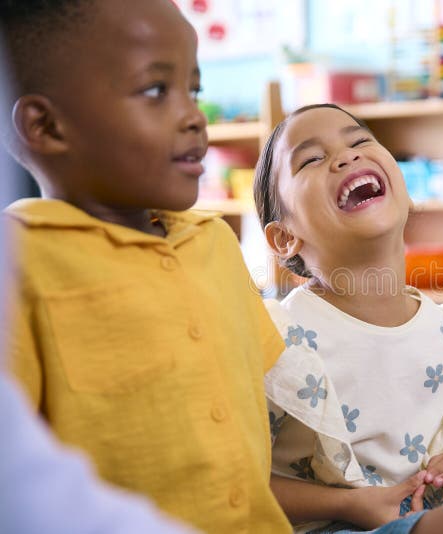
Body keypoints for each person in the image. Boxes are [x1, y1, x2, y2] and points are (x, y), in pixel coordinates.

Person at [0, 1, 291, 531]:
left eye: (194, 89)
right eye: (157, 90)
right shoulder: (19, 264)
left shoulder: (214, 243)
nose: (193, 115)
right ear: (45, 125)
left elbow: (262, 413)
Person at [254, 103, 443, 533]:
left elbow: (433, 473)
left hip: (411, 522)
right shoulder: (280, 338)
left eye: (359, 141)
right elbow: (238, 481)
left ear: (407, 191)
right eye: (312, 159)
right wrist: (352, 505)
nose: (347, 156)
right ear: (284, 238)